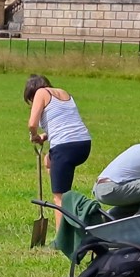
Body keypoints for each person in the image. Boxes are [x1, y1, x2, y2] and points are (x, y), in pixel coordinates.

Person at [24, 74, 92, 232]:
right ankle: (67, 199)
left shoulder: (41, 93)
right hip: (84, 145)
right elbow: (65, 124)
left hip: (65, 147)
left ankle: (61, 238)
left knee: (59, 195)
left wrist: (34, 135)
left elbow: (32, 124)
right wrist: (44, 136)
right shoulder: (63, 92)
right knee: (48, 161)